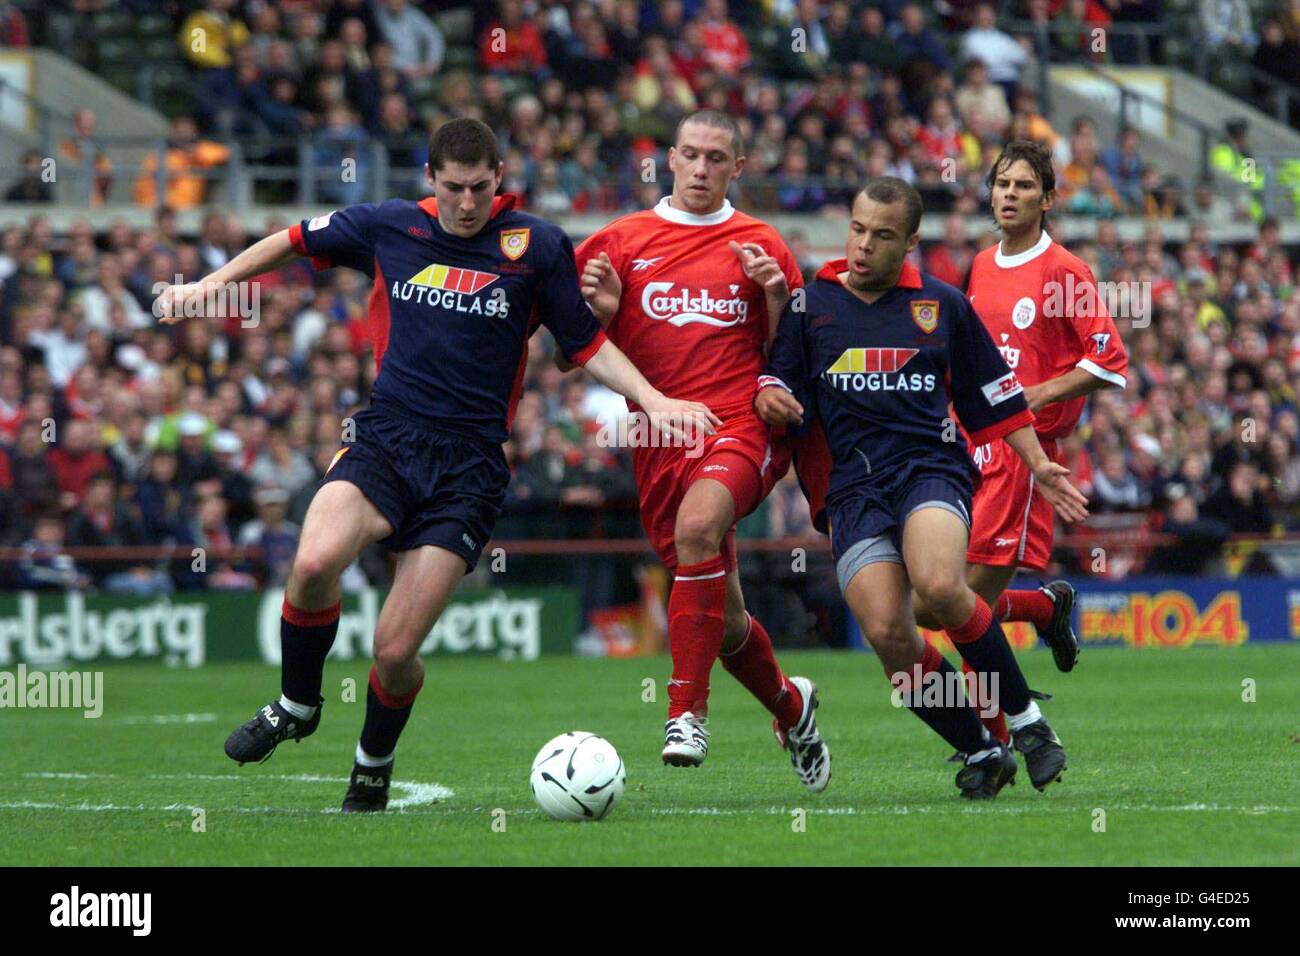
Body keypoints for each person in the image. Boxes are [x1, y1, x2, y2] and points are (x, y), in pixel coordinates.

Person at [155, 117, 716, 812]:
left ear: (500, 179)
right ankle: (298, 705)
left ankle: (372, 764)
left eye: (480, 188)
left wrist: (653, 398)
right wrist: (207, 287)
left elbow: (585, 340)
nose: (467, 202)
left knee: (394, 652)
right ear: (431, 180)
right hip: (386, 438)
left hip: (469, 467)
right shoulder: (391, 225)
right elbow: (293, 239)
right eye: (454, 188)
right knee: (310, 565)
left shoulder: (535, 246)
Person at [756, 177, 1090, 798]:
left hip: (930, 468)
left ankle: (1028, 724)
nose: (863, 246)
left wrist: (1038, 463)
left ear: (910, 242)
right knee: (889, 632)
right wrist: (772, 394)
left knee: (939, 584)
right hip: (853, 491)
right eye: (857, 229)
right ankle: (979, 749)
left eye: (882, 236)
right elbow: (778, 379)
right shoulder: (811, 305)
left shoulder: (941, 306)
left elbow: (993, 396)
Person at [569, 109, 830, 791]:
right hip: (660, 441)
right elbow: (575, 353)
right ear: (671, 160)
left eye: (718, 157)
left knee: (698, 529)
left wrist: (775, 296)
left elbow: (793, 358)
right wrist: (598, 314)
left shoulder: (762, 243)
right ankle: (791, 706)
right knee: (724, 618)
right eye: (691, 155)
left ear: (737, 167)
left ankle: (685, 713)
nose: (703, 168)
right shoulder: (619, 241)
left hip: (742, 427)